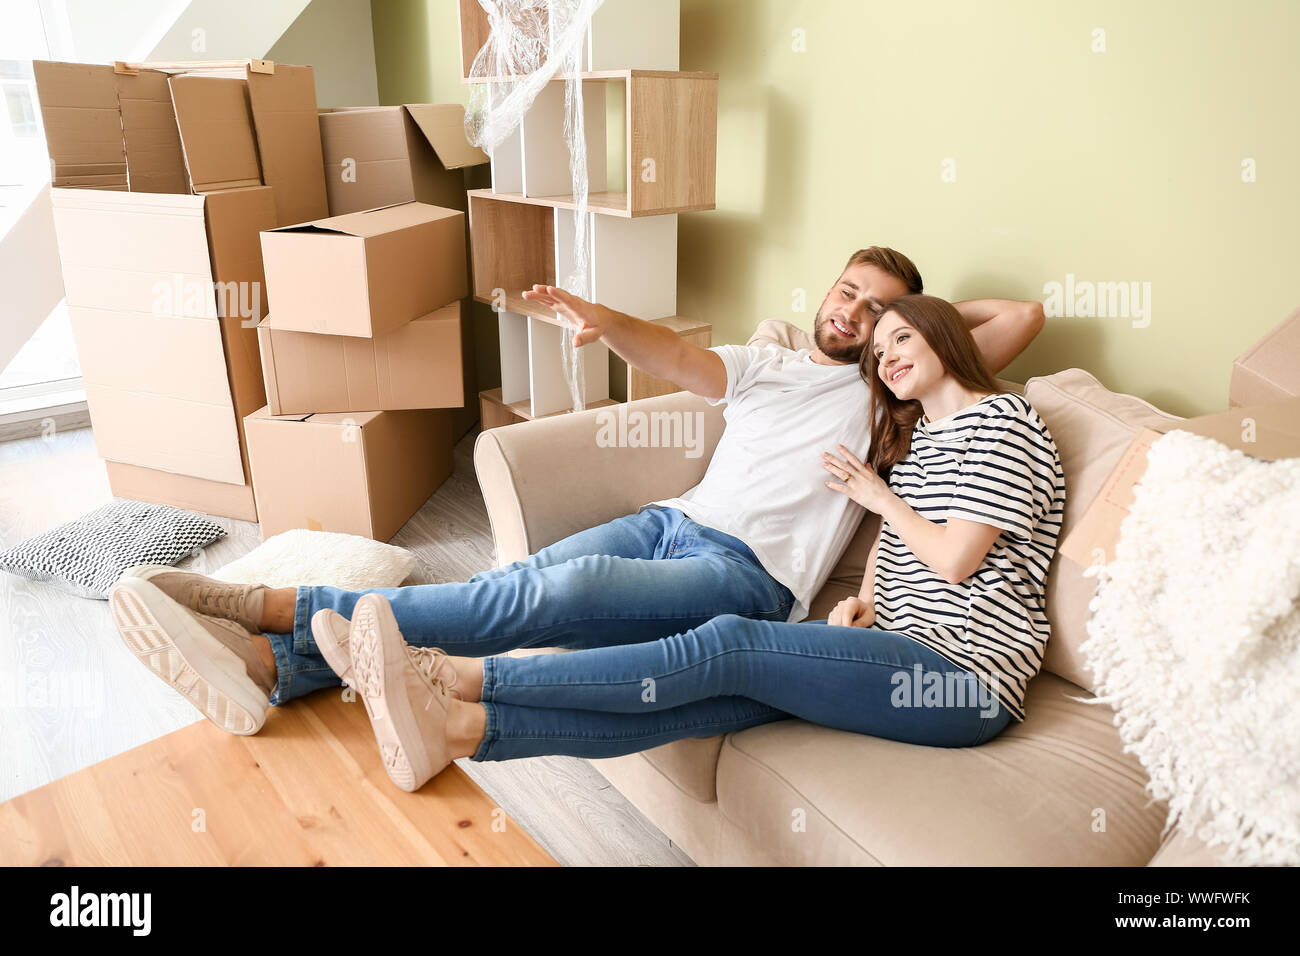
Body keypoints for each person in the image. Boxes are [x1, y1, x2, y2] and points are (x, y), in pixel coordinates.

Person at [108, 249, 1045, 739]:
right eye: (848, 292)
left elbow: (1020, 318)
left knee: (551, 601)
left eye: (877, 308)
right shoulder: (767, 364)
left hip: (747, 577)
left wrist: (907, 324)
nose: (853, 314)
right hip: (672, 526)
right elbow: (676, 356)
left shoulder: (890, 385)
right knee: (503, 591)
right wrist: (604, 319)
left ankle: (263, 604)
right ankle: (283, 669)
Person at [301, 294, 1067, 792]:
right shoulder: (924, 436)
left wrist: (876, 496)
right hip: (899, 647)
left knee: (730, 645)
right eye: (882, 345)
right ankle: (466, 732)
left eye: (906, 337)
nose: (890, 353)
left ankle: (460, 682)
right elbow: (900, 544)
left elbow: (957, 556)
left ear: (945, 337)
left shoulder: (1000, 420)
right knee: (713, 702)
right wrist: (865, 599)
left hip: (964, 678)